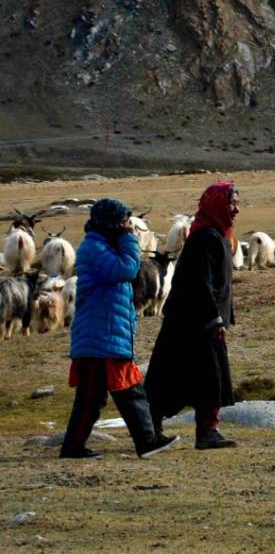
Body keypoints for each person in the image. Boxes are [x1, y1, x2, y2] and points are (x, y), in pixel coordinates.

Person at [61, 198, 179, 459]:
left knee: (92, 397)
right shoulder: (94, 248)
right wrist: (129, 239)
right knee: (129, 388)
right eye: (124, 222)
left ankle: (73, 446)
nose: (129, 226)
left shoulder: (101, 246)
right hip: (103, 334)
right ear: (111, 223)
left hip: (102, 334)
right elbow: (125, 270)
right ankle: (146, 441)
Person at [145, 181, 239, 450]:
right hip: (193, 321)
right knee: (191, 375)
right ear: (218, 204)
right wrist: (214, 317)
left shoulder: (215, 234)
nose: (236, 209)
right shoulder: (205, 238)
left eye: (236, 203)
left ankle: (205, 430)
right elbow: (200, 281)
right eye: (231, 203)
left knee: (198, 375)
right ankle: (193, 431)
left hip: (198, 320)